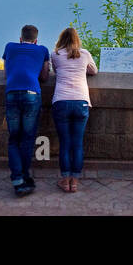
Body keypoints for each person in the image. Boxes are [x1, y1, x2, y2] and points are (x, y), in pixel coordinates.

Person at [45, 26, 97, 192]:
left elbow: (55, 70)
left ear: (61, 40)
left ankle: (65, 180)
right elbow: (94, 71)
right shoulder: (85, 53)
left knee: (65, 144)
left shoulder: (55, 55)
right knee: (77, 144)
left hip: (61, 101)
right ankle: (74, 182)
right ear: (77, 40)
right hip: (81, 101)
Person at [2, 24, 50, 197]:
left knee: (14, 139)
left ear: (20, 38)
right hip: (32, 93)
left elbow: (6, 73)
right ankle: (25, 176)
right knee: (27, 139)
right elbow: (44, 76)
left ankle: (18, 180)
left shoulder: (9, 46)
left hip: (12, 92)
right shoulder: (42, 50)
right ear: (36, 40)